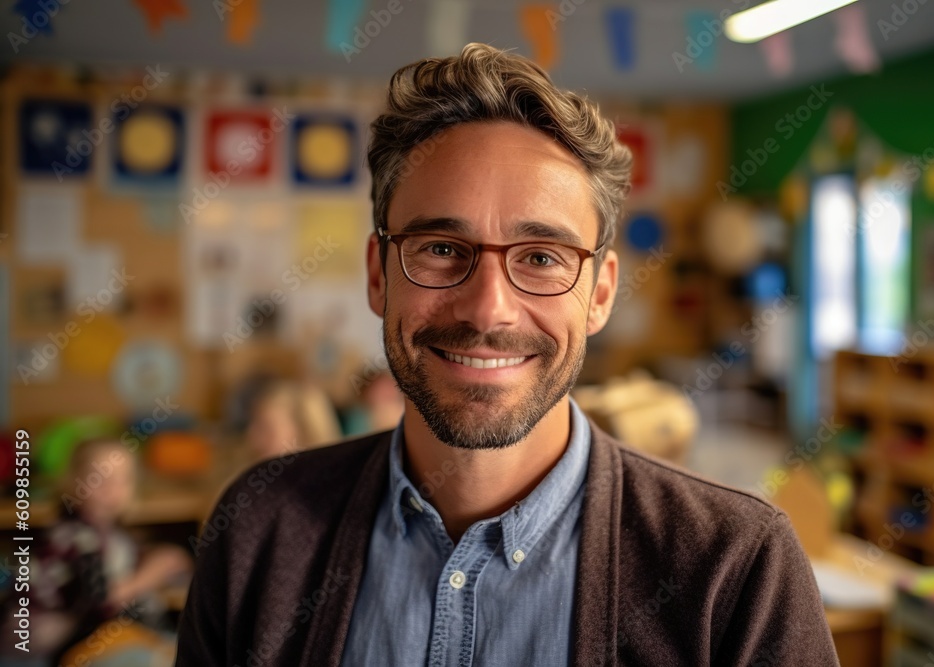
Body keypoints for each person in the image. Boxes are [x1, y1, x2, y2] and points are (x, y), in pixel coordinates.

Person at [176, 44, 838, 666]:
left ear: (600, 292)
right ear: (379, 274)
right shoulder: (257, 529)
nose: (487, 308)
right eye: (440, 247)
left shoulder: (737, 568)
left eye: (543, 257)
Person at [0, 438, 190, 666]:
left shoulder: (108, 533)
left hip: (78, 636)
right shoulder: (74, 536)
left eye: (123, 479)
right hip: (42, 646)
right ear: (73, 482)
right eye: (100, 479)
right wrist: (151, 574)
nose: (112, 489)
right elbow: (103, 602)